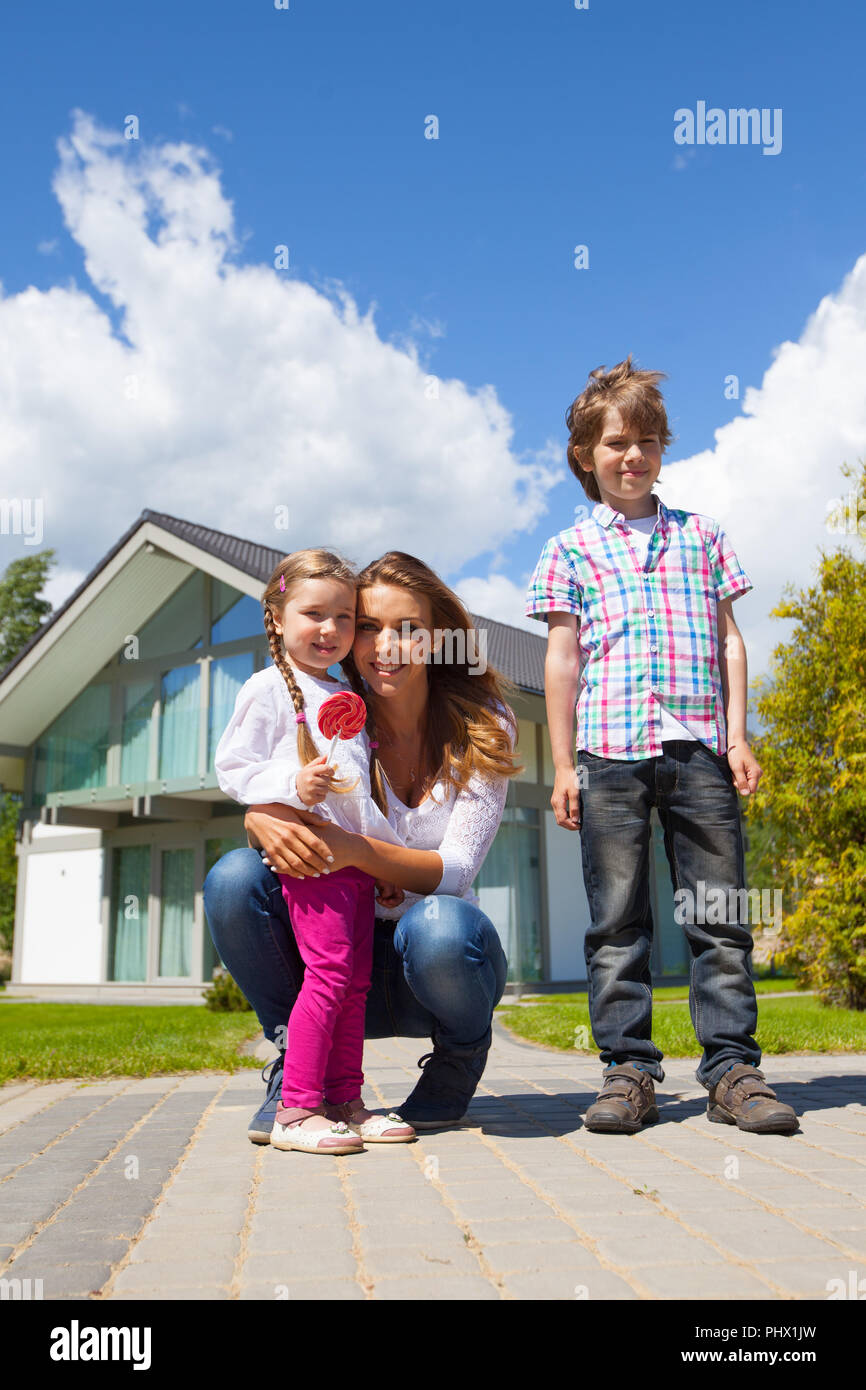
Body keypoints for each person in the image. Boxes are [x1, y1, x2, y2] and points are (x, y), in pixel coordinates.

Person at [524, 356, 798, 1135]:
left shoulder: (702, 536)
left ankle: (732, 1071)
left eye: (647, 439)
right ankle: (628, 1072)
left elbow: (730, 644)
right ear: (586, 455)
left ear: (663, 447)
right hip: (608, 754)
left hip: (699, 751)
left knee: (718, 912)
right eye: (615, 442)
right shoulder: (569, 549)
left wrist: (737, 735)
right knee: (617, 920)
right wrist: (564, 764)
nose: (632, 455)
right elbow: (562, 660)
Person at [204, 550, 522, 1143]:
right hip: (333, 942)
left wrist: (357, 851)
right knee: (233, 878)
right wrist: (261, 815)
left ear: (439, 639)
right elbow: (263, 772)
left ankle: (457, 1061)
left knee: (442, 927)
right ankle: (297, 1078)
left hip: (423, 966)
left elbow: (453, 873)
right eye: (369, 626)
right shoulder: (324, 708)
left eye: (408, 629)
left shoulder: (484, 723)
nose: (384, 645)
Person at [215, 548, 416, 1153]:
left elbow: (358, 793)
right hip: (310, 862)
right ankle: (297, 1110)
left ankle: (346, 1102)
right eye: (313, 614)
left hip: (352, 865)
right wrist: (288, 786)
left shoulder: (344, 689)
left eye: (344, 618)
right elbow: (233, 767)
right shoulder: (268, 688)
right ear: (276, 616)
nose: (330, 630)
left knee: (352, 982)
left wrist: (381, 859)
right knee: (327, 976)